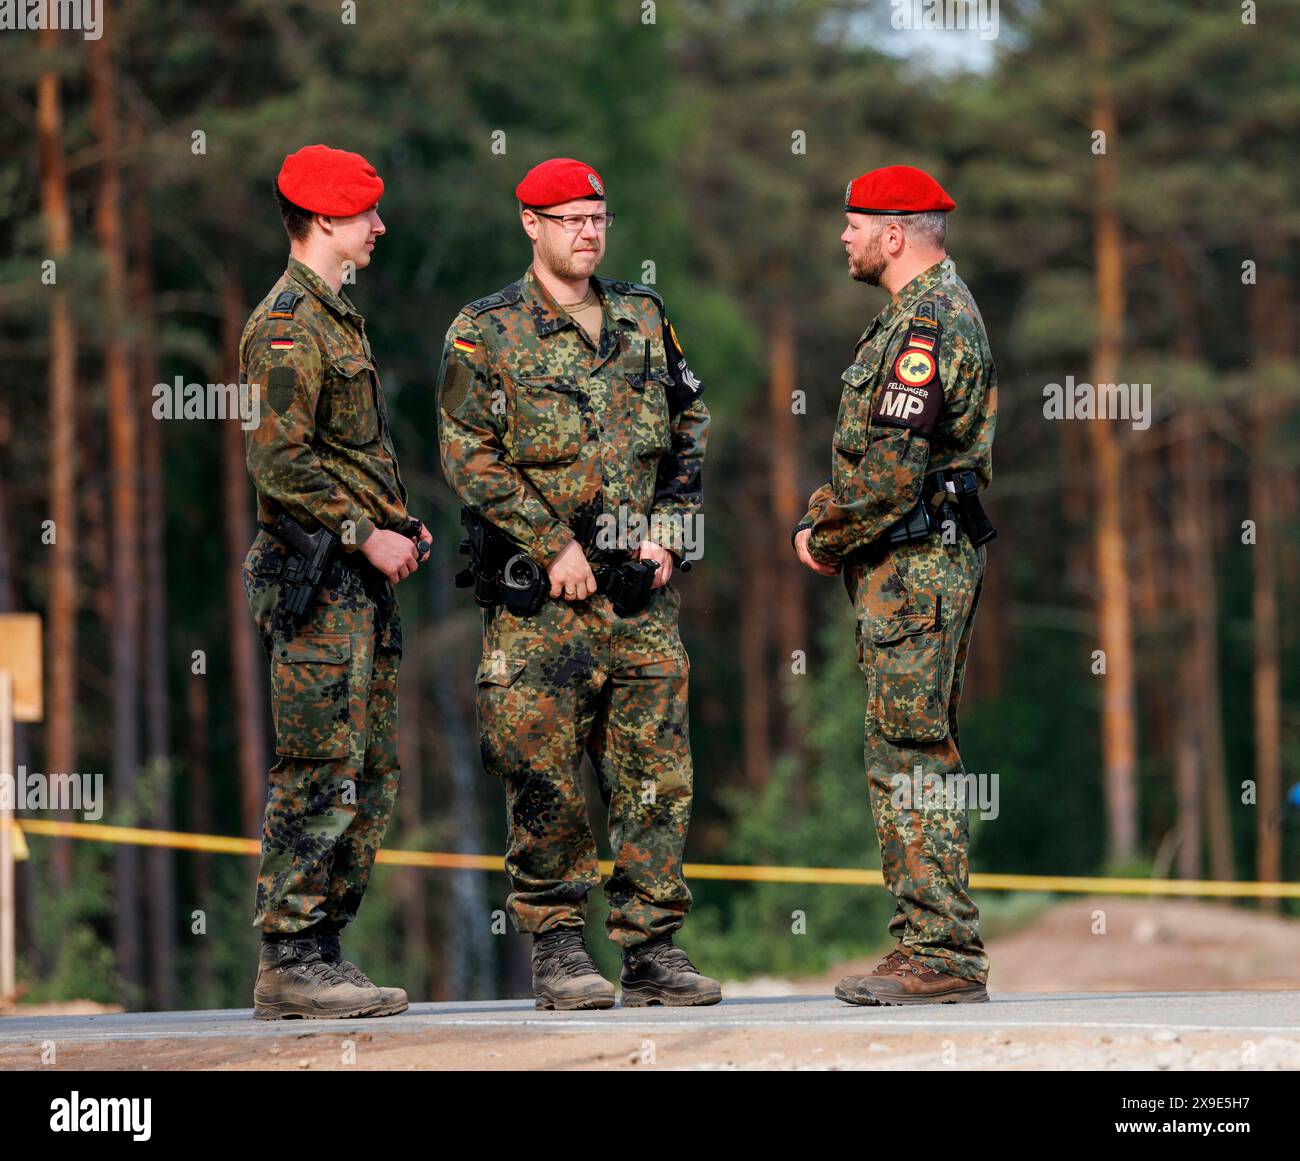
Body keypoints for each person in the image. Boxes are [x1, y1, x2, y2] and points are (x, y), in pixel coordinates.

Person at [436, 157, 719, 1009]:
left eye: (597, 217)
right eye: (568, 219)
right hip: (542, 604)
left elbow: (688, 425)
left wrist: (672, 533)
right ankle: (559, 949)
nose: (587, 233)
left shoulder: (642, 313)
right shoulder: (485, 330)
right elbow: (467, 452)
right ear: (531, 223)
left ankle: (653, 948)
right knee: (545, 773)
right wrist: (551, 541)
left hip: (638, 598)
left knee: (655, 776)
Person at [792, 164, 998, 1005]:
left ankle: (943, 953)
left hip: (915, 568)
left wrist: (823, 534)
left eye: (853, 223)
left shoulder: (928, 323)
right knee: (900, 746)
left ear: (892, 234)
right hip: (904, 566)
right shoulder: (916, 316)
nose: (841, 236)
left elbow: (888, 475)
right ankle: (926, 941)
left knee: (910, 751)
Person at [240, 144, 429, 1019]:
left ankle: (320, 952)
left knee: (367, 770)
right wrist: (362, 534)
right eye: (364, 214)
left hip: (355, 582)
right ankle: (290, 951)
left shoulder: (337, 317)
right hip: (316, 583)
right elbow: (277, 460)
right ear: (323, 220)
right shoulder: (288, 323)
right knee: (319, 763)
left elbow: (340, 453)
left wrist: (394, 523)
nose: (378, 226)